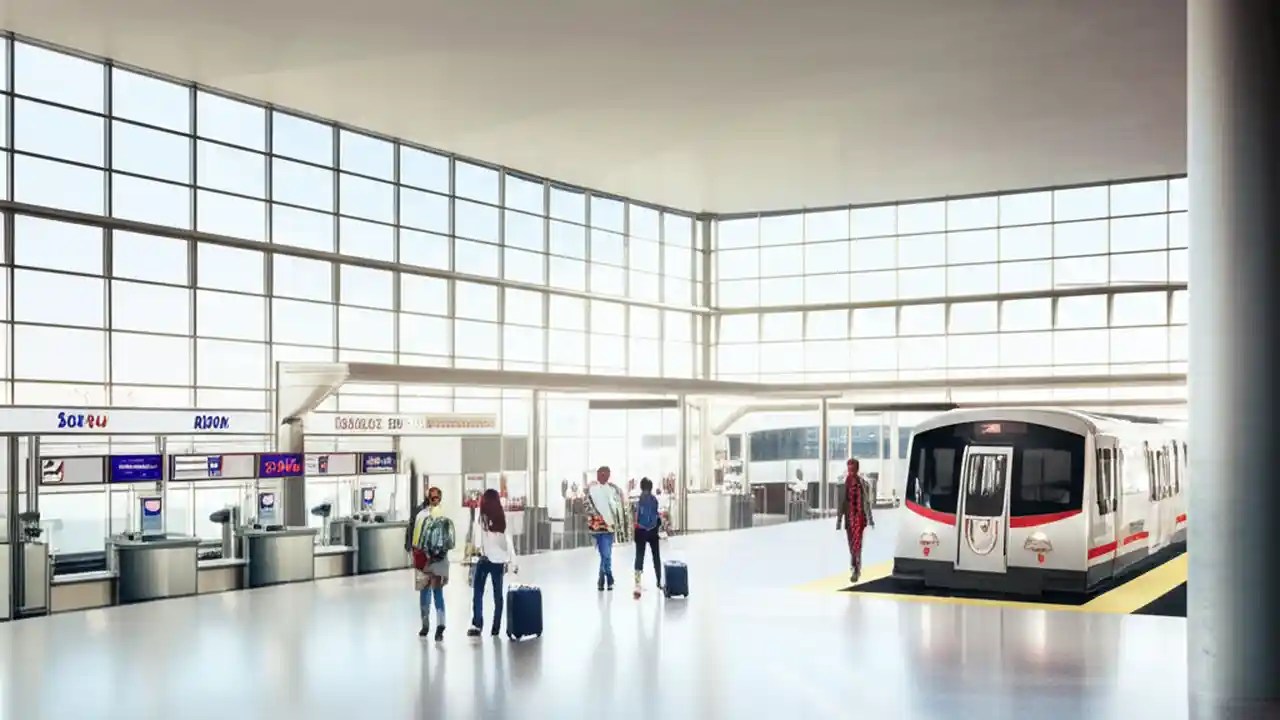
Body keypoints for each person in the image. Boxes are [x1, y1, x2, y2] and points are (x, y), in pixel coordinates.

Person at [468, 489, 517, 637]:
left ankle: (477, 624)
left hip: (484, 559)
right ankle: (495, 628)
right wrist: (513, 562)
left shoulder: (481, 517)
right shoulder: (502, 517)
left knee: (478, 593)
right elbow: (508, 540)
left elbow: (477, 541)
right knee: (498, 595)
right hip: (499, 561)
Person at [411, 486, 455, 640]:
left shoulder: (422, 515)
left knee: (429, 592)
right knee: (433, 592)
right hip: (437, 560)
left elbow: (416, 540)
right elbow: (450, 540)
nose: (435, 500)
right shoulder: (444, 515)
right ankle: (435, 625)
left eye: (435, 497)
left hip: (429, 559)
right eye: (433, 497)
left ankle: (430, 626)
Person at [583, 465, 625, 591]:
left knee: (605, 554)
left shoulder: (612, 489)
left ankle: (602, 580)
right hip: (598, 527)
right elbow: (586, 506)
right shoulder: (594, 489)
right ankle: (609, 577)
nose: (603, 476)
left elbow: (619, 504)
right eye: (601, 474)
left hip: (608, 527)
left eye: (605, 474)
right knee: (605, 554)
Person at [837, 458, 875, 582]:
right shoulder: (845, 484)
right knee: (851, 545)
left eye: (853, 469)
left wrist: (870, 518)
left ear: (857, 469)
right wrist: (839, 519)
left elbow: (866, 502)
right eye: (849, 469)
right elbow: (842, 502)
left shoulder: (861, 483)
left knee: (857, 544)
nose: (851, 471)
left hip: (859, 518)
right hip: (849, 518)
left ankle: (856, 569)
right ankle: (854, 565)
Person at [632, 477, 662, 598]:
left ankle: (637, 583)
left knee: (639, 556)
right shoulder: (654, 500)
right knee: (656, 556)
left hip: (641, 530)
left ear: (641, 487)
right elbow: (656, 515)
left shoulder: (639, 501)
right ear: (651, 487)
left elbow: (636, 518)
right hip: (653, 530)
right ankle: (659, 580)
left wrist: (636, 529)